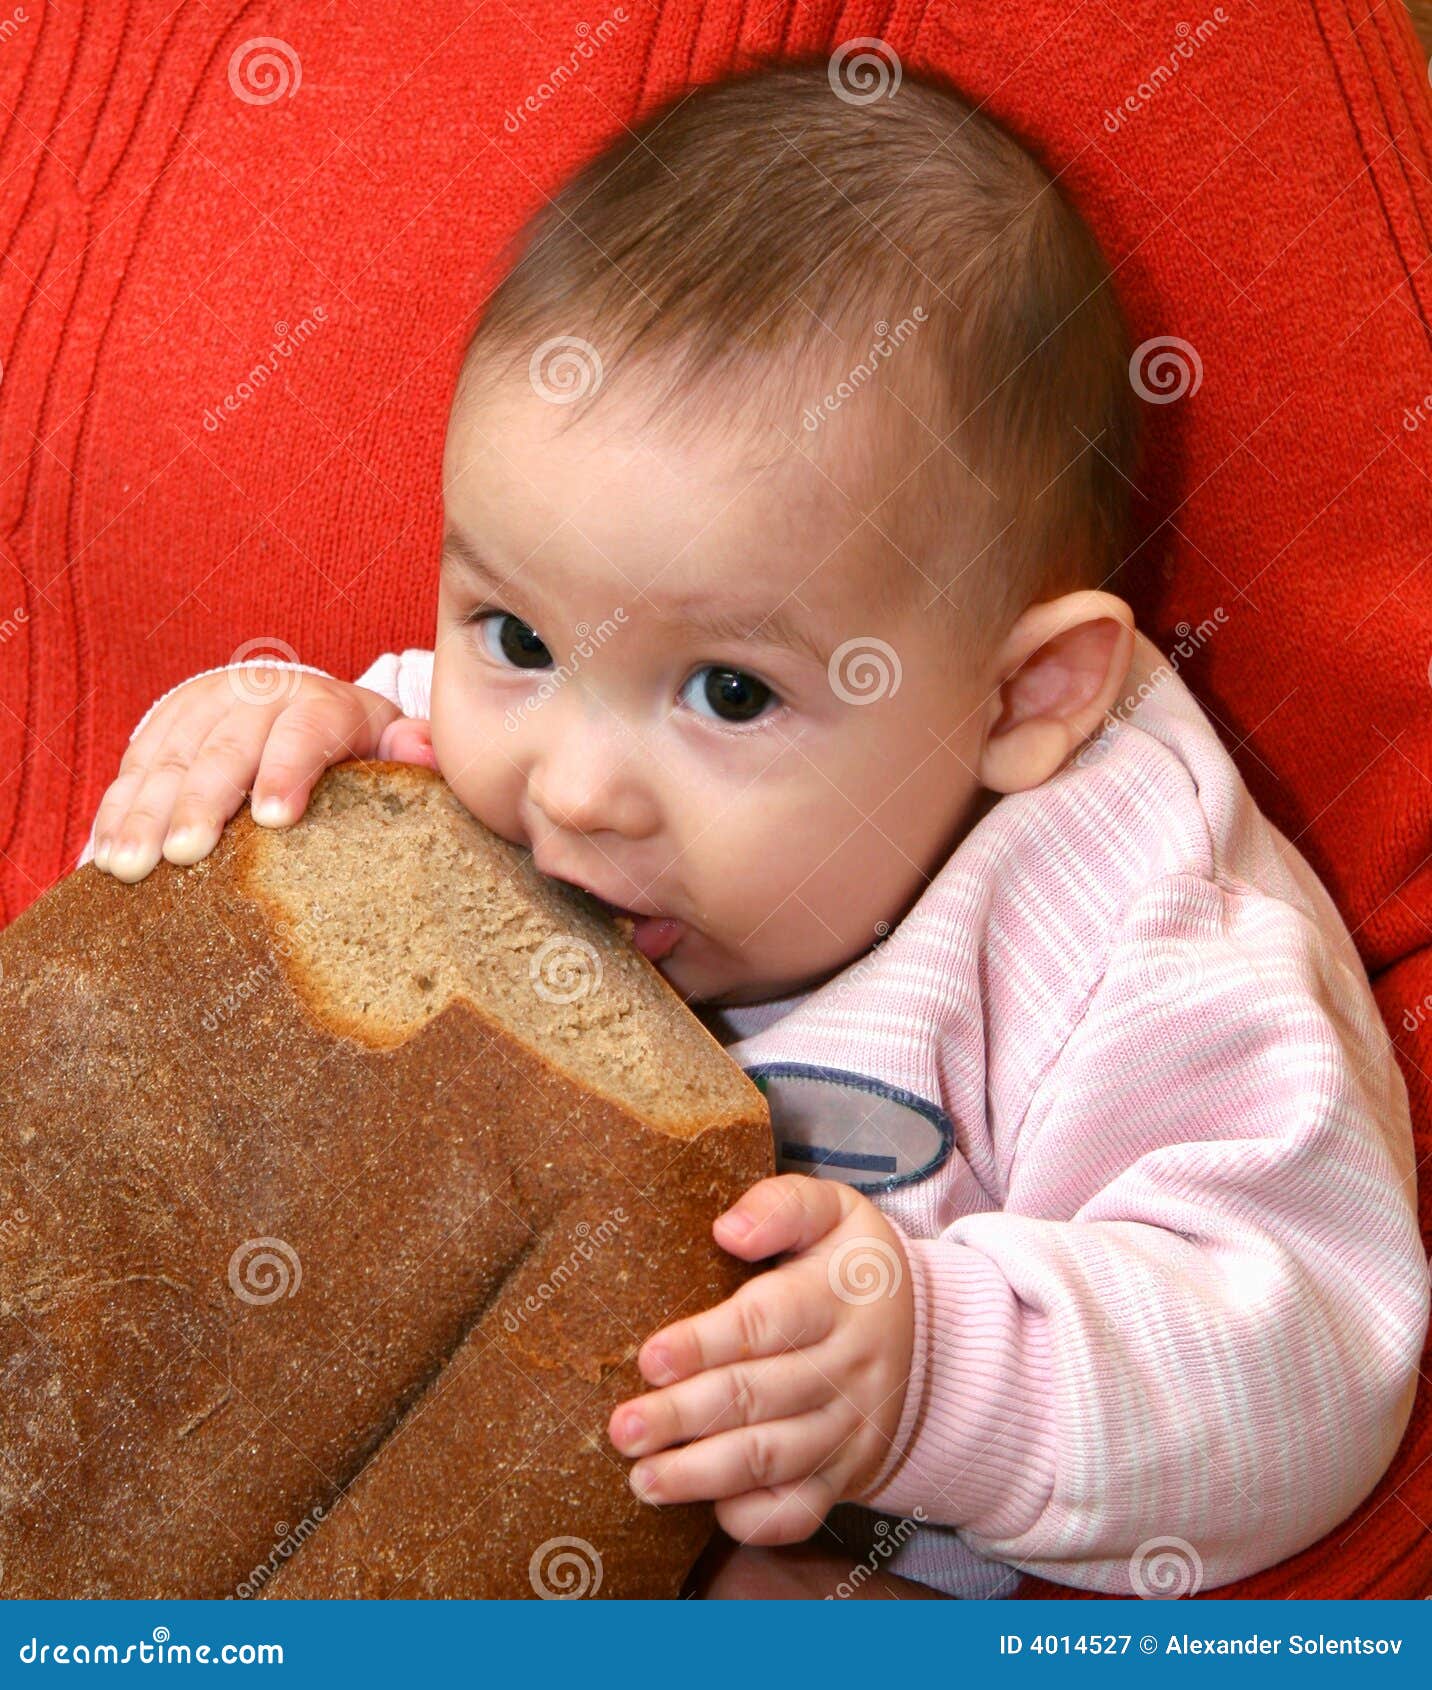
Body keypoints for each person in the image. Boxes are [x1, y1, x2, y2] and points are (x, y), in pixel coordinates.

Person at [78, 61, 1428, 1599]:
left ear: (1020, 699)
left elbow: (1318, 1346)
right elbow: (358, 758)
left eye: (729, 691)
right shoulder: (489, 760)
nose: (572, 790)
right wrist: (256, 724)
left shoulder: (1122, 913)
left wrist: (940, 1376)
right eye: (515, 635)